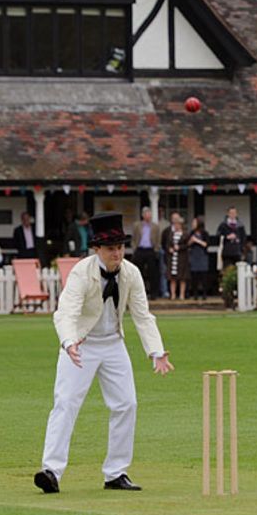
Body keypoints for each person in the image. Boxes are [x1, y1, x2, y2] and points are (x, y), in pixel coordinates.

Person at [34, 212, 174, 494]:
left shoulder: (131, 272)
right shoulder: (80, 272)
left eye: (121, 247)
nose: (117, 253)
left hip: (113, 343)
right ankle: (51, 470)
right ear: (97, 248)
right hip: (81, 345)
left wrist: (156, 351)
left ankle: (116, 472)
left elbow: (143, 316)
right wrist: (69, 342)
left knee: (127, 404)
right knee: (66, 403)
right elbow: (66, 313)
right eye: (111, 248)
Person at [130, 206, 161, 298]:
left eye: (149, 214)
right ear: (143, 215)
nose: (148, 216)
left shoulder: (155, 226)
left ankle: (153, 293)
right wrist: (134, 247)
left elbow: (158, 239)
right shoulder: (137, 225)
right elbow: (133, 238)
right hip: (140, 250)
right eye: (146, 214)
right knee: (139, 272)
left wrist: (156, 249)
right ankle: (140, 293)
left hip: (150, 250)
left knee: (153, 273)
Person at [160, 213, 189, 301]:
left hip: (182, 258)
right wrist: (169, 249)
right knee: (173, 277)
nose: (176, 226)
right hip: (172, 258)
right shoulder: (170, 234)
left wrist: (179, 247)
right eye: (175, 224)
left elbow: (187, 245)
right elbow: (166, 244)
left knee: (182, 278)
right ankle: (172, 295)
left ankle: (182, 295)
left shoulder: (185, 234)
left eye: (178, 224)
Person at [187, 217, 210, 299]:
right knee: (194, 276)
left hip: (202, 256)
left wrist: (196, 240)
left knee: (203, 276)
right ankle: (195, 294)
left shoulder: (204, 233)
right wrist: (191, 241)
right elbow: (187, 244)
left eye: (194, 222)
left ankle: (204, 294)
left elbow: (206, 244)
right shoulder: (191, 233)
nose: (193, 224)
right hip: (194, 256)